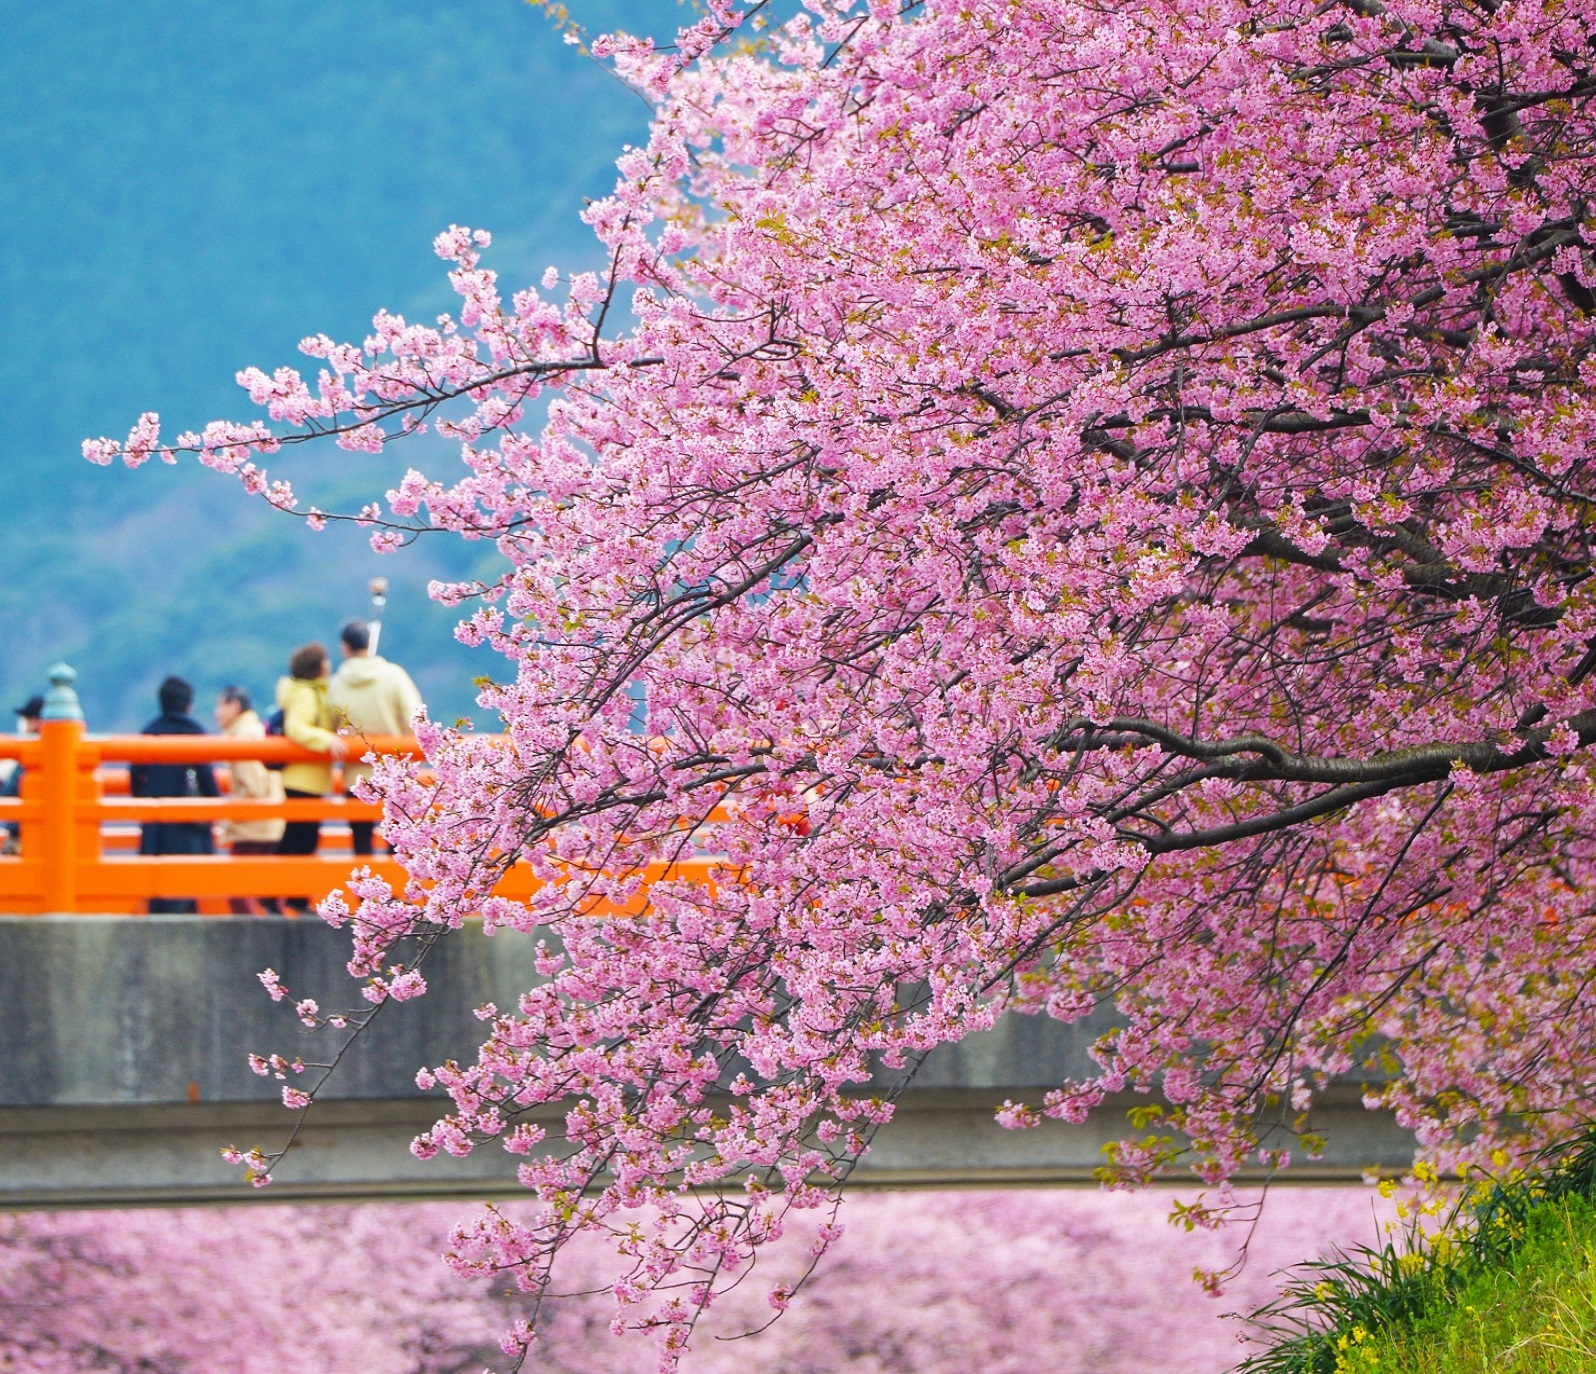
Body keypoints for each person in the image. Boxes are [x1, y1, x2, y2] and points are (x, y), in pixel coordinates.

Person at [327, 619, 422, 856]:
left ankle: (365, 893)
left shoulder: (336, 685)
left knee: (361, 843)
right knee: (398, 844)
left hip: (356, 777)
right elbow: (415, 718)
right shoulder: (393, 675)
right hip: (394, 773)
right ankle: (397, 892)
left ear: (345, 648)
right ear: (369, 643)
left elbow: (329, 727)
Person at [130, 676, 218, 915]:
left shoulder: (149, 732)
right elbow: (209, 783)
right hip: (188, 827)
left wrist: (145, 800)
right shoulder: (195, 733)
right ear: (188, 705)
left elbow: (134, 776)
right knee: (185, 887)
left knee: (156, 891)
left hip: (156, 826)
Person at [274, 643, 345, 913]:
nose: (328, 665)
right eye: (325, 661)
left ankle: (294, 896)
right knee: (298, 839)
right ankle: (284, 894)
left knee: (302, 839)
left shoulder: (316, 692)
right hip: (302, 779)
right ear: (317, 667)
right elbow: (296, 728)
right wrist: (327, 740)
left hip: (306, 778)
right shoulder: (307, 694)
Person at [213, 685, 285, 916]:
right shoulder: (258, 729)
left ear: (234, 706)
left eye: (220, 705)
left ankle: (253, 935)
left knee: (236, 887)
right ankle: (275, 928)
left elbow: (253, 785)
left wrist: (230, 818)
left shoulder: (242, 738)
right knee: (267, 887)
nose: (216, 712)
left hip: (253, 823)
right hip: (271, 818)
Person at [1, 695, 44, 853]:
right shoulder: (64, 750)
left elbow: (9, 793)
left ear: (34, 722)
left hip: (24, 836)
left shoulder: (30, 754)